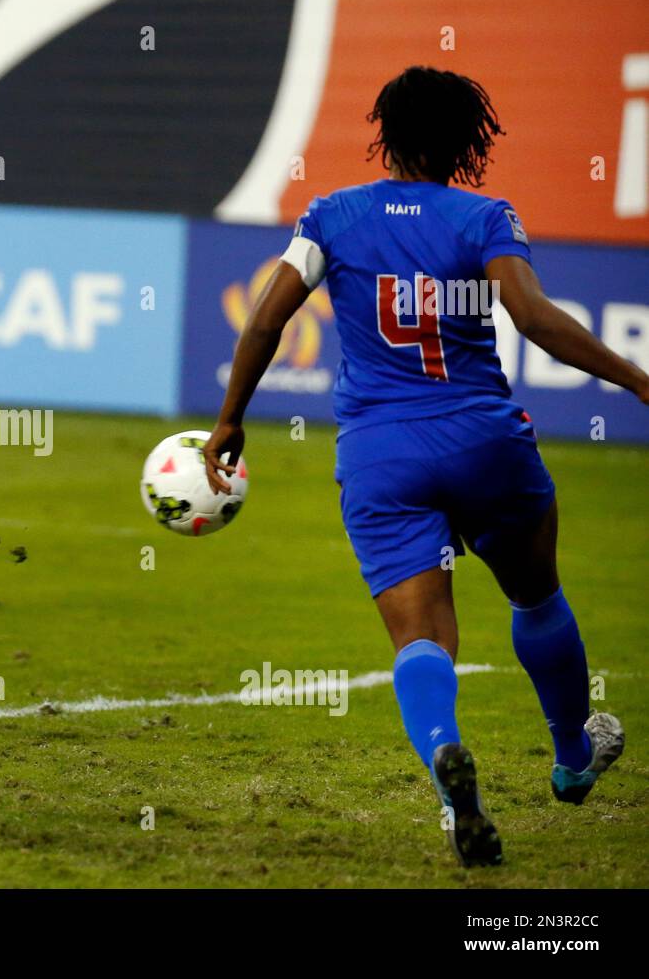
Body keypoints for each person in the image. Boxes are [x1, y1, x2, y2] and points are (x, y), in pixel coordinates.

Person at [202, 66, 645, 867]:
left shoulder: (331, 215)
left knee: (422, 636)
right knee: (536, 592)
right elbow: (533, 317)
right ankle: (574, 754)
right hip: (485, 440)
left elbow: (268, 316)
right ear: (467, 142)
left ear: (386, 133)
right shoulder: (485, 217)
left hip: (380, 453)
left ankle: (449, 764)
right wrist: (638, 378)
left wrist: (231, 416)